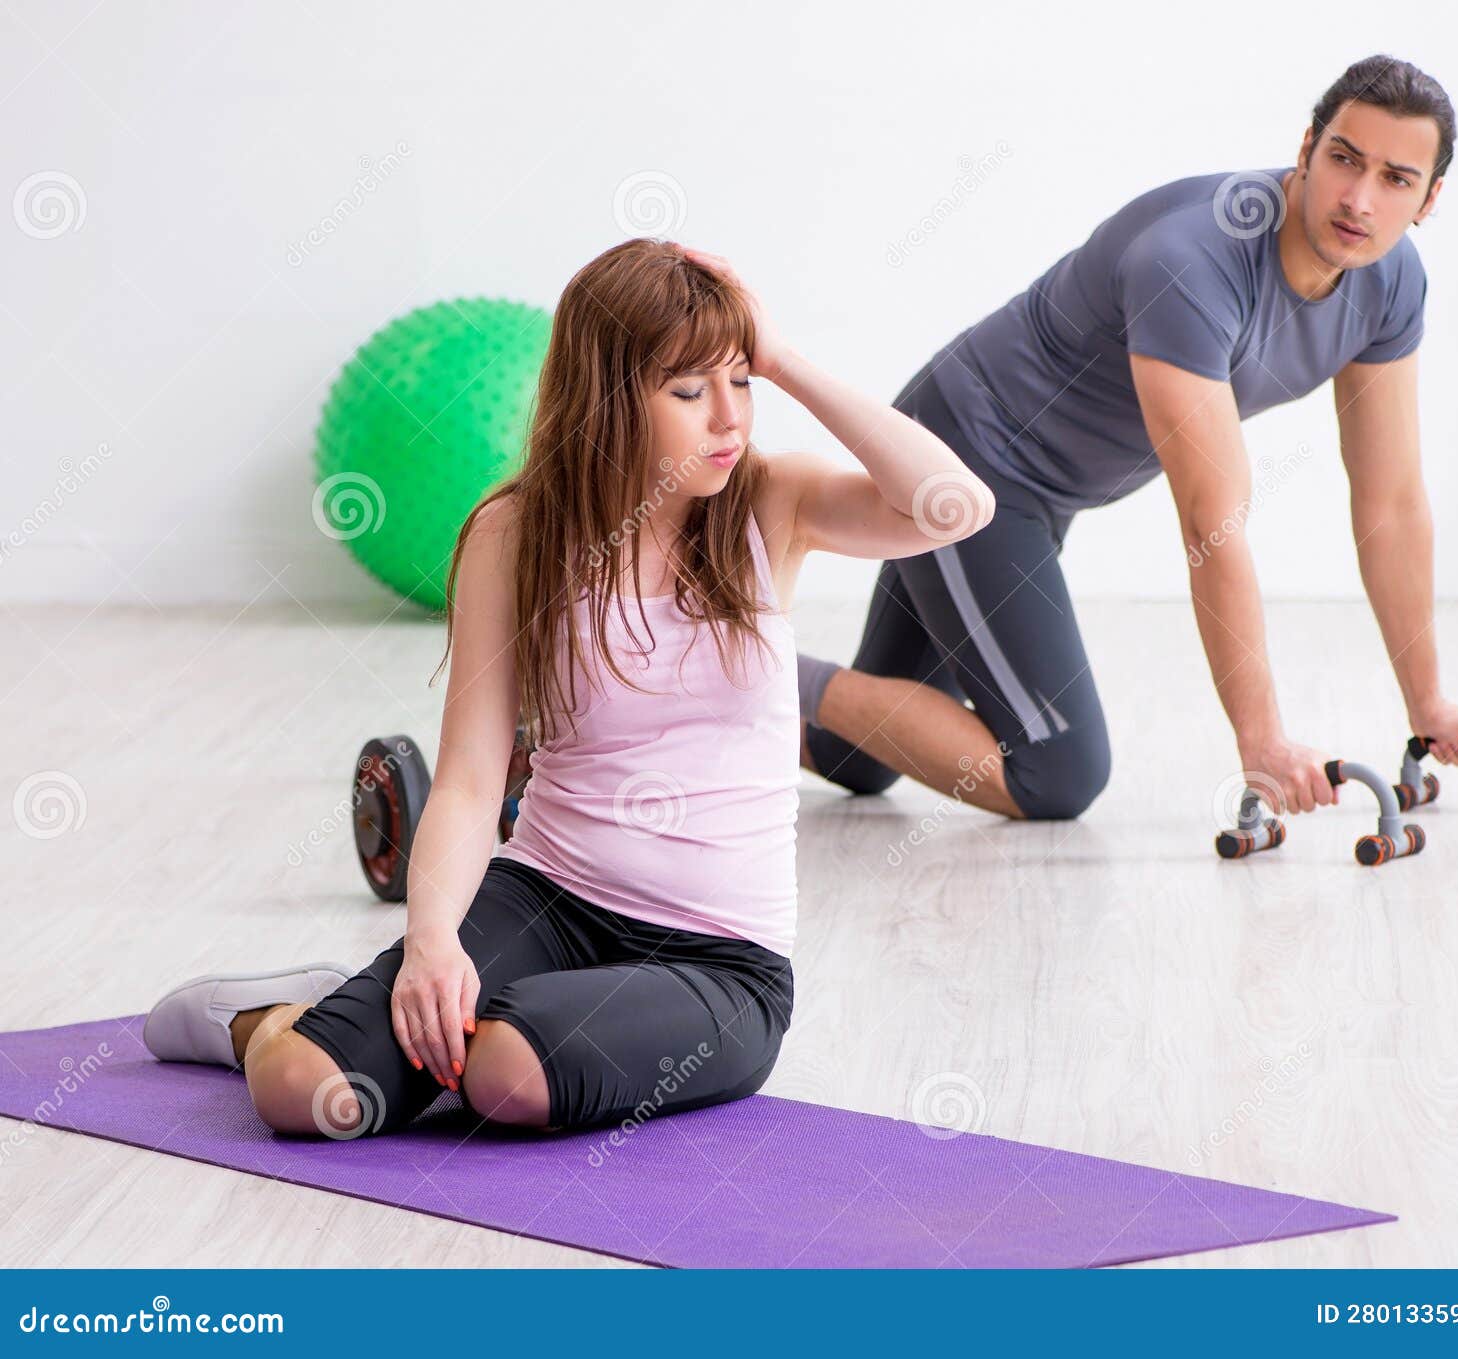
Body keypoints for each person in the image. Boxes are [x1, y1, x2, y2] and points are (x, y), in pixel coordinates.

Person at [142, 239, 994, 1138]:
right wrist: (431, 944)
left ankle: (440, 1012)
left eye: (741, 382)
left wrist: (781, 358)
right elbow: (471, 778)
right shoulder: (514, 533)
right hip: (547, 896)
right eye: (689, 390)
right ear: (610, 394)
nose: (729, 418)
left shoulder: (771, 502)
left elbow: (955, 506)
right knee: (306, 1091)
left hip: (720, 959)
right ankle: (278, 1018)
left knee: (506, 1072)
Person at [801, 54, 1458, 823]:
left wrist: (1428, 701)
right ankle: (741, 673)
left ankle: (736, 688)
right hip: (963, 458)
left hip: (1042, 487)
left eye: (1396, 179)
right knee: (1055, 770)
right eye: (1344, 159)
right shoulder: (1193, 261)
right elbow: (1211, 523)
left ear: (1429, 199)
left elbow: (1390, 503)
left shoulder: (1390, 282)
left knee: (856, 755)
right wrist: (1262, 741)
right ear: (1306, 148)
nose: (1359, 199)